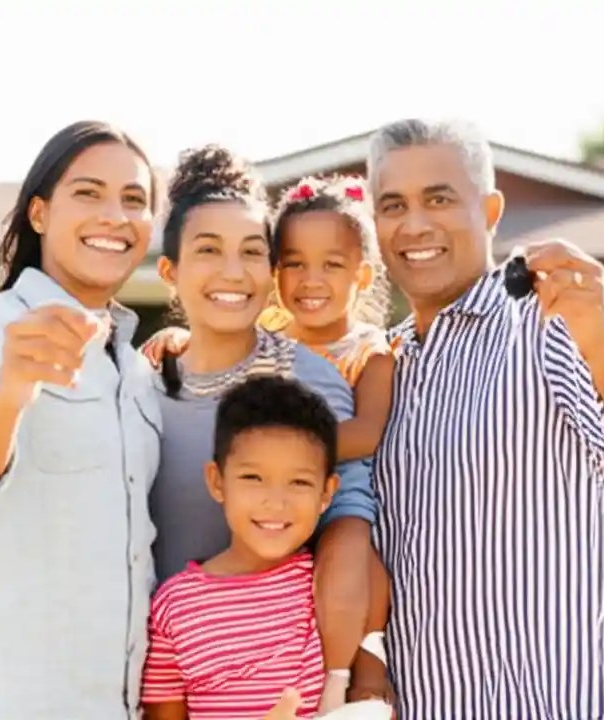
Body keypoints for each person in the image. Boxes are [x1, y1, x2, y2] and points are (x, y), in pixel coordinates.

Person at [365, 118, 604, 719]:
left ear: (490, 209)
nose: (414, 224)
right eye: (393, 205)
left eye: (438, 199)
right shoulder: (378, 369)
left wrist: (596, 331)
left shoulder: (552, 325)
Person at [0, 121, 166, 719]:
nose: (113, 215)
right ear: (40, 214)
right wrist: (12, 386)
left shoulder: (141, 374)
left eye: (134, 200)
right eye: (89, 193)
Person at [147, 146, 385, 714]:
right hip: (167, 666)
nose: (233, 271)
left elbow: (343, 536)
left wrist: (358, 682)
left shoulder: (309, 377)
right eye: (208, 250)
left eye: (252, 252)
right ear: (170, 271)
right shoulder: (140, 378)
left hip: (279, 687)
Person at [141, 174, 397, 464]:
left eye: (332, 265)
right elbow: (222, 341)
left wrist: (280, 452)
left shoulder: (368, 352)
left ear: (362, 277)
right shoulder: (271, 326)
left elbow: (368, 433)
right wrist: (179, 336)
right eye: (295, 264)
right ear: (275, 272)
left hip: (341, 484)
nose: (311, 281)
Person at [142, 375, 343, 719]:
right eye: (253, 478)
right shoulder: (175, 605)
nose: (275, 503)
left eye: (299, 482)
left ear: (326, 492)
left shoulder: (324, 583)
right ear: (217, 482)